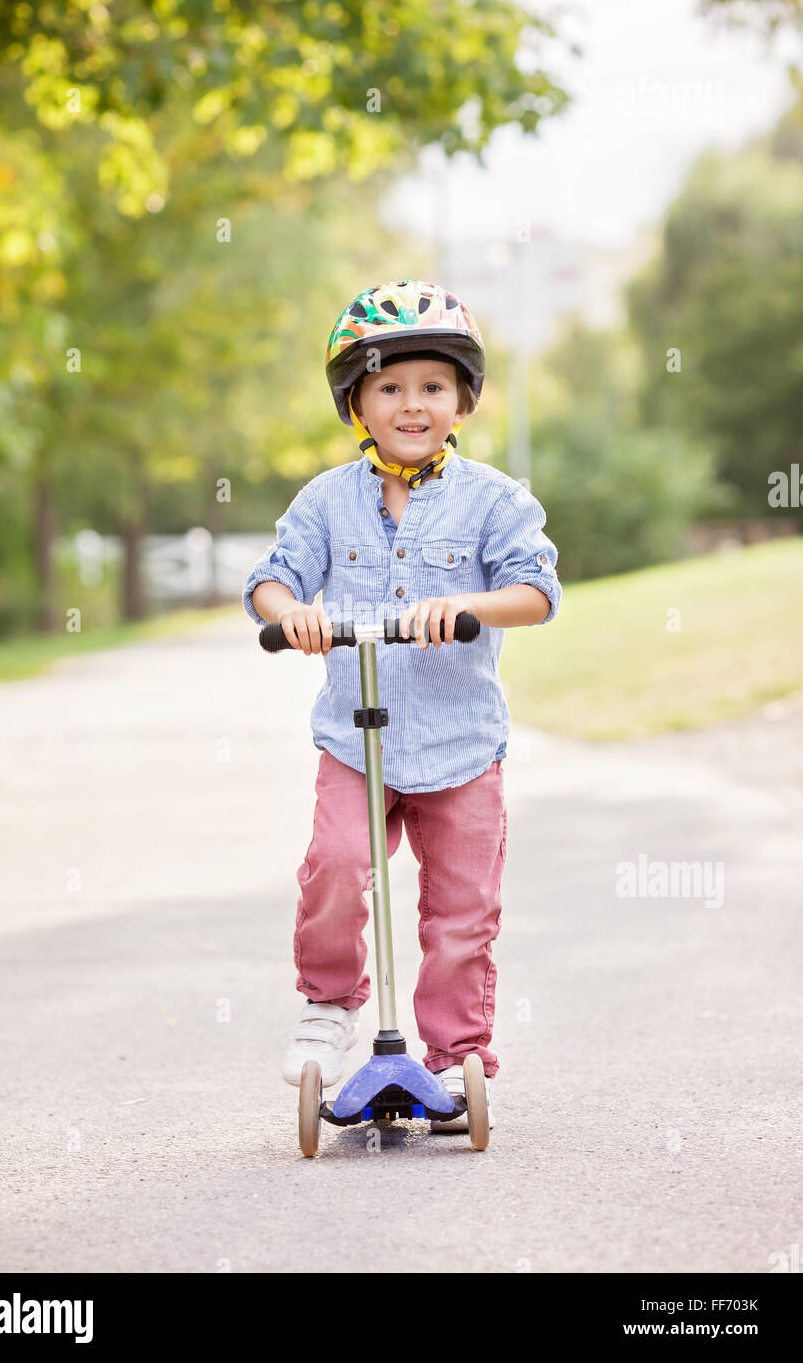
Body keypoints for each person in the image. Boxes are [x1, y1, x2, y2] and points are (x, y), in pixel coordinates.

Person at [242, 280, 561, 1131]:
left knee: (461, 915)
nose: (410, 404)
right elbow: (270, 580)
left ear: (461, 400)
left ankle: (456, 1058)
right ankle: (329, 1005)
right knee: (338, 868)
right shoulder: (325, 500)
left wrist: (465, 609)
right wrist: (293, 613)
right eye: (388, 386)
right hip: (355, 740)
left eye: (430, 386)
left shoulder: (494, 499)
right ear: (357, 403)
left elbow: (535, 591)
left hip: (461, 746)